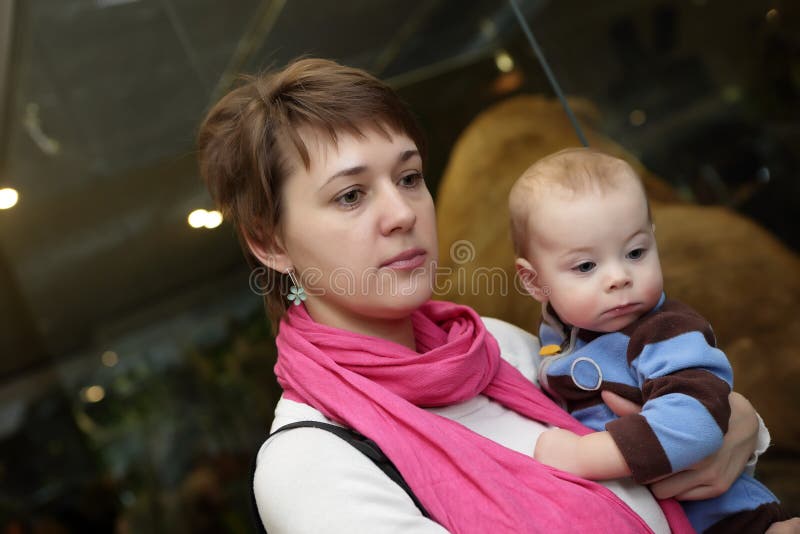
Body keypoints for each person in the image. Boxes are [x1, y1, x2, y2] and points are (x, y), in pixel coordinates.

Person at [196, 58, 779, 533]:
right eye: (350, 196)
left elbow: (665, 412)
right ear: (270, 241)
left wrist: (742, 429)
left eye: (408, 177)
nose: (403, 214)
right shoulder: (310, 463)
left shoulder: (499, 345)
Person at [510, 147, 792, 532]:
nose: (618, 277)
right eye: (586, 265)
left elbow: (696, 419)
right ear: (534, 282)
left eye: (635, 251)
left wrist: (583, 454)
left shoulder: (663, 331)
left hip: (732, 521)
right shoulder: (560, 337)